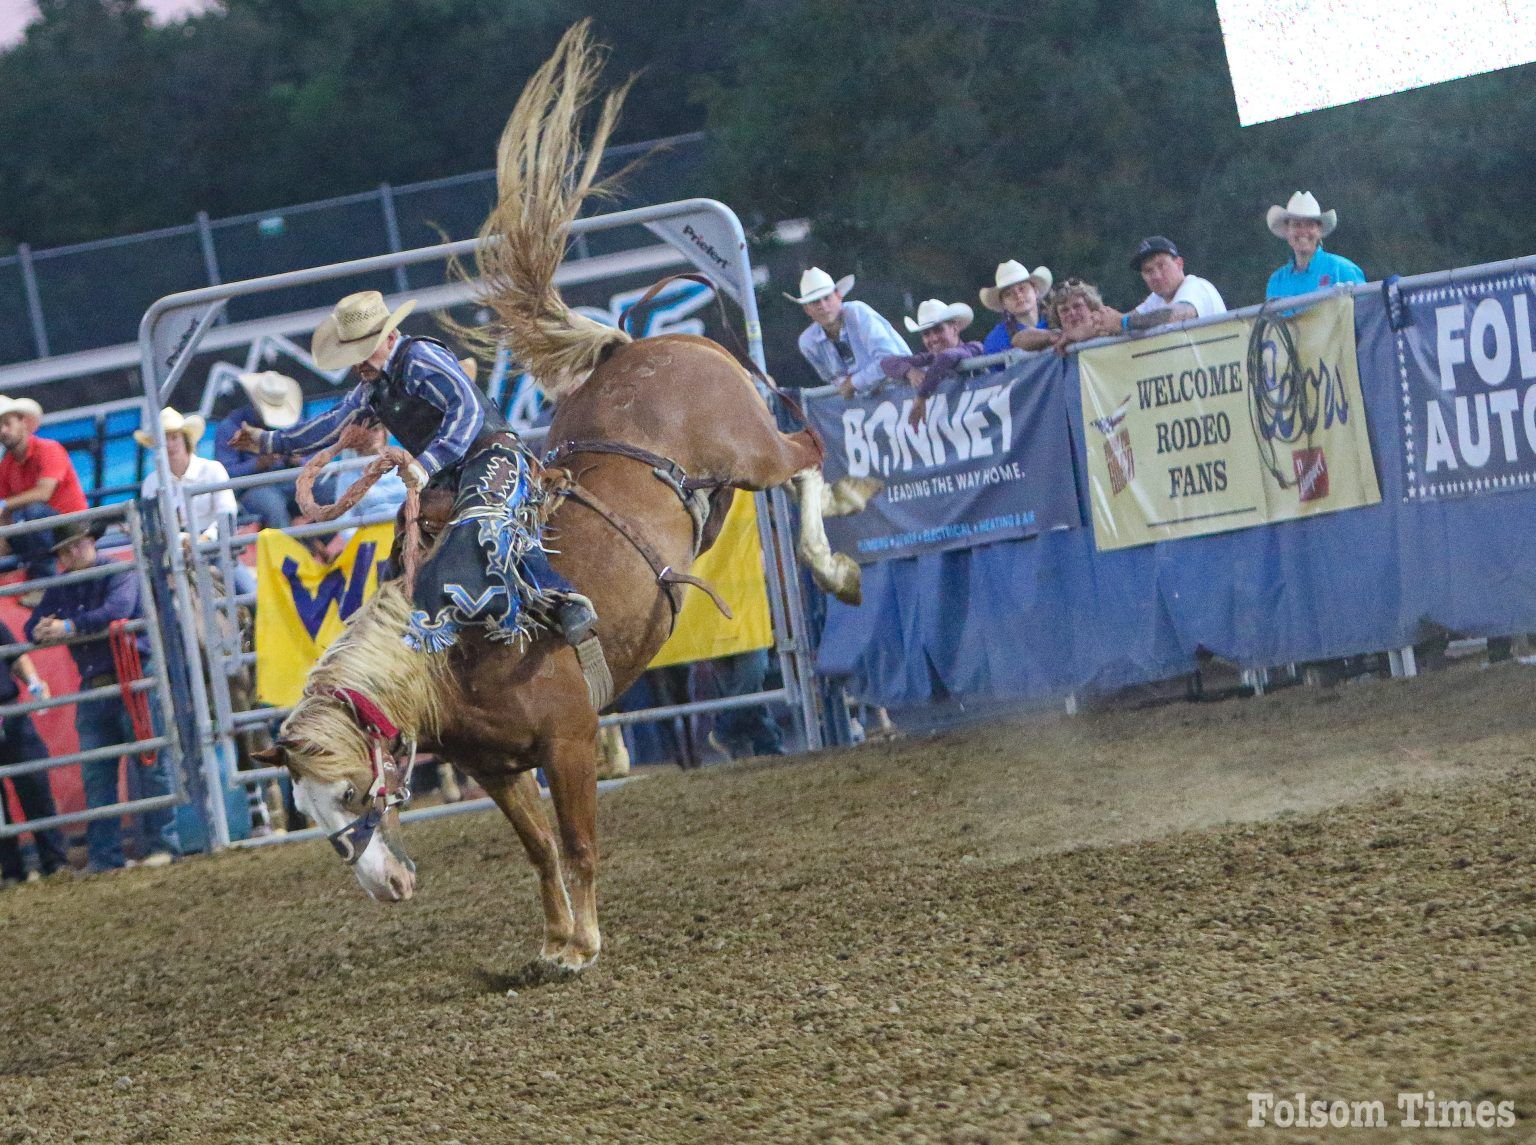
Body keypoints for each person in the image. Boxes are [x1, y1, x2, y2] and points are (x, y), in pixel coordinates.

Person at [229, 290, 596, 652]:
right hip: (447, 472)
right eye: (353, 356)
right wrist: (266, 442)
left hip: (493, 454)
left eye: (363, 352)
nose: (358, 364)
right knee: (408, 537)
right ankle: (399, 622)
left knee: (482, 519)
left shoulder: (421, 357)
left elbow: (465, 410)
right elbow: (331, 424)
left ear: (388, 337)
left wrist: (426, 464)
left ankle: (562, 599)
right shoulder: (372, 390)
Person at [26, 522, 180, 872]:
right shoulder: (73, 583)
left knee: (146, 767)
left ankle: (156, 847)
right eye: (65, 550)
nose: (71, 554)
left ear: (91, 542)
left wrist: (66, 627)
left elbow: (118, 609)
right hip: (107, 681)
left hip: (132, 676)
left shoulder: (116, 571)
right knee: (102, 775)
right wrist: (40, 630)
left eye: (76, 546)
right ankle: (110, 856)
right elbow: (33, 625)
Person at [138, 407, 255, 595]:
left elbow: (227, 514)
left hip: (216, 550)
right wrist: (182, 540)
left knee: (253, 597)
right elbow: (154, 527)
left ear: (185, 439)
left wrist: (205, 539)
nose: (169, 444)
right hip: (173, 556)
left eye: (174, 437)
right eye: (163, 440)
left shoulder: (212, 470)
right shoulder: (151, 483)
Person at [0, 616, 67, 885]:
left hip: (10, 711)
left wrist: (34, 681)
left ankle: (55, 862)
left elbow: (15, 656)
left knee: (35, 787)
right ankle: (12, 869)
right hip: (11, 710)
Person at [0, 395, 88, 588]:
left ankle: (44, 583)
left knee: (33, 512)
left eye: (7, 423)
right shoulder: (6, 464)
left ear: (23, 421)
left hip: (71, 527)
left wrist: (5, 505)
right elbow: (4, 514)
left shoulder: (49, 449)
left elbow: (43, 493)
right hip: (39, 534)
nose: (3, 431)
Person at [786, 268, 908, 399]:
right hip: (869, 403)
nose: (823, 305)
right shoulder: (808, 343)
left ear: (838, 296)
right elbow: (833, 379)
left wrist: (853, 383)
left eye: (827, 298)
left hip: (904, 390)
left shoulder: (858, 313)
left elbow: (890, 359)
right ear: (807, 310)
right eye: (815, 302)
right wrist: (847, 384)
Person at [214, 371, 304, 530]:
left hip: (291, 481)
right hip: (253, 489)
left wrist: (298, 460)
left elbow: (312, 454)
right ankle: (286, 551)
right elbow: (226, 474)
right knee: (273, 506)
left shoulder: (292, 422)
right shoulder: (229, 428)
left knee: (330, 490)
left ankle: (323, 545)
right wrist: (258, 464)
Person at [883, 300, 985, 429]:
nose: (934, 338)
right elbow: (887, 362)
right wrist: (909, 371)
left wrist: (921, 396)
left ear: (954, 329)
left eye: (938, 330)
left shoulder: (974, 348)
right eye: (926, 334)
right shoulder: (930, 357)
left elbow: (947, 357)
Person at [1096, 236, 1226, 336]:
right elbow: (1127, 317)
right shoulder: (1156, 299)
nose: (1156, 276)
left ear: (1179, 263)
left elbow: (1178, 314)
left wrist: (1123, 323)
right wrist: (1102, 321)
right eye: (1148, 271)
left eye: (1162, 266)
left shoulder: (1196, 286)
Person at [1265, 191, 1366, 299]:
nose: (1303, 231)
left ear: (1319, 231)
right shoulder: (1277, 281)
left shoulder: (1342, 269)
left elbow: (1369, 311)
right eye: (1296, 225)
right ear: (1287, 231)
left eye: (1310, 225)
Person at [978, 260, 1054, 355]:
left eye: (1022, 288)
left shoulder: (1061, 320)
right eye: (1008, 294)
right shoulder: (995, 340)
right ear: (1003, 304)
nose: (1017, 295)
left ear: (1035, 290)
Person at [1046, 278, 1113, 355]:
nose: (1072, 313)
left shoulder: (1110, 328)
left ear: (1092, 307)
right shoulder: (1058, 339)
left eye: (1077, 306)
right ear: (1058, 317)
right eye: (1064, 310)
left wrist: (1074, 335)